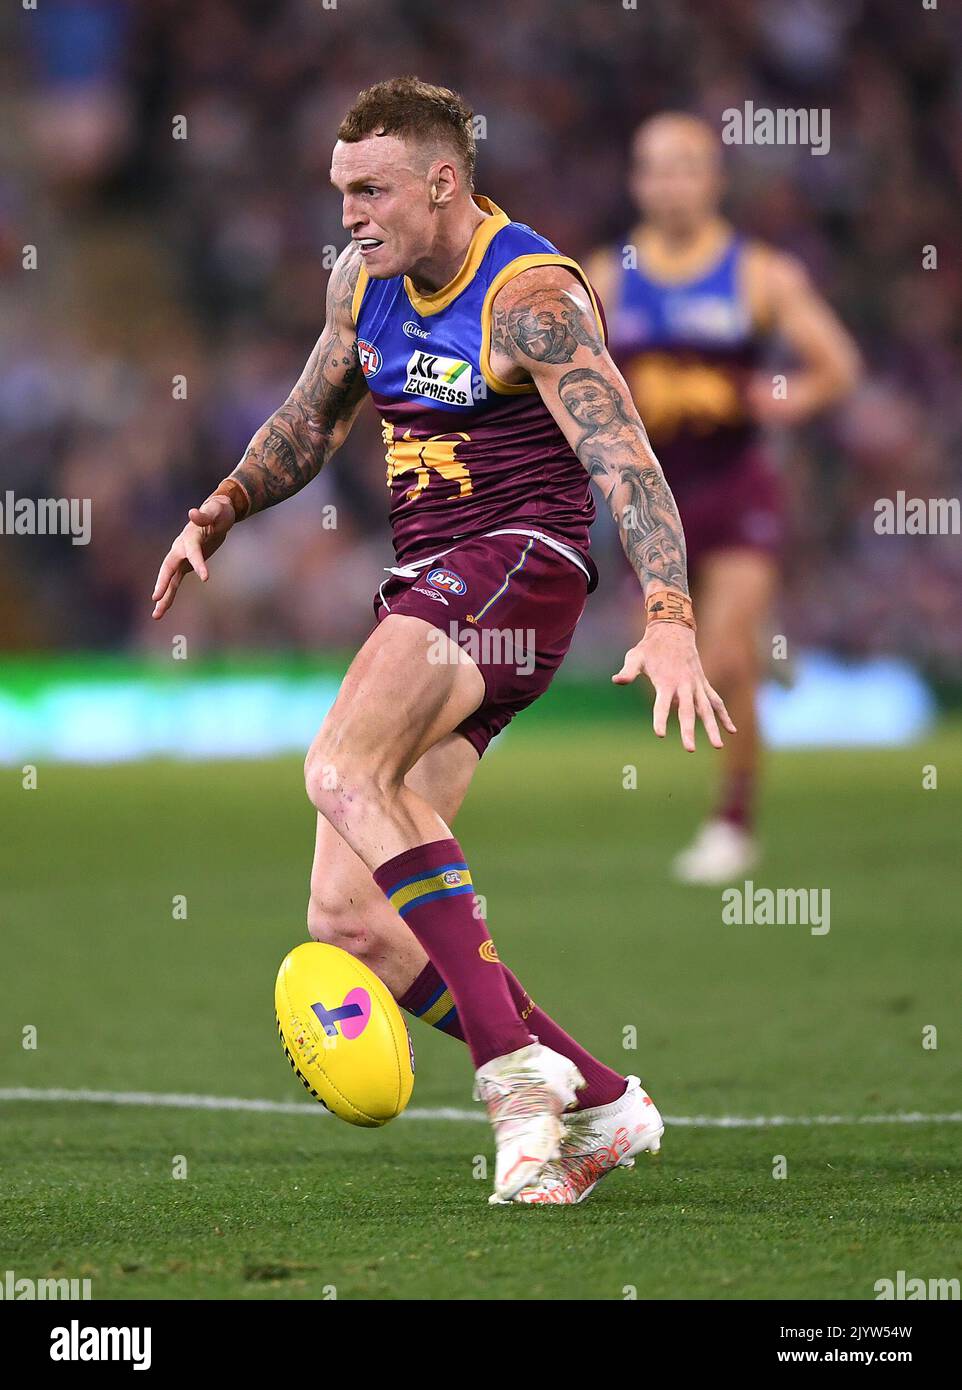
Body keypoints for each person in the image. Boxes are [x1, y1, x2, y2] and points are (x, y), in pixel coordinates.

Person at [151, 79, 733, 1206]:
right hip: (428, 584)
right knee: (350, 918)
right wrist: (215, 510)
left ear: (441, 183)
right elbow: (312, 417)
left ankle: (518, 1086)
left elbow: (625, 461)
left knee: (336, 768)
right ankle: (604, 1098)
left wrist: (668, 617)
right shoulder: (358, 281)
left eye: (370, 192)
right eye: (339, 193)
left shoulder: (530, 296)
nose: (349, 215)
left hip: (521, 563)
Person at [586, 114, 861, 884]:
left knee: (724, 656)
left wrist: (780, 395)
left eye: (686, 167)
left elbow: (836, 365)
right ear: (637, 181)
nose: (670, 183)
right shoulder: (605, 277)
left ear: (713, 178)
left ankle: (732, 822)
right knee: (687, 670)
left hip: (738, 489)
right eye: (654, 168)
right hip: (650, 501)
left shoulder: (760, 274)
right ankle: (757, 639)